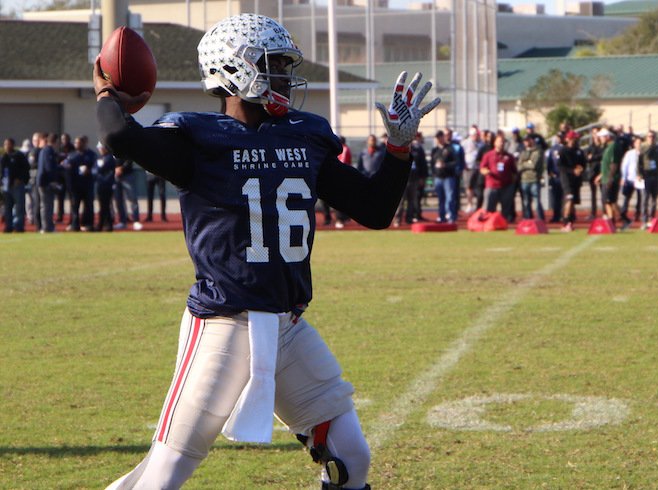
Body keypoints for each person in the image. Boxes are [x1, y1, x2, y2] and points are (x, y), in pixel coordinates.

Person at [95, 13, 438, 490]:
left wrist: (399, 150)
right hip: (223, 325)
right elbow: (118, 136)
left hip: (287, 326)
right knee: (164, 475)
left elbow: (375, 209)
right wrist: (107, 94)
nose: (284, 75)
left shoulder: (305, 133)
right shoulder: (197, 138)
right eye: (273, 63)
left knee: (351, 458)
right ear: (234, 69)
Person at [479, 132, 517, 221]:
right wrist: (486, 172)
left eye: (503, 141)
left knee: (506, 210)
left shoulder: (509, 156)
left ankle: (503, 224)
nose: (502, 143)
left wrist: (512, 183)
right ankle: (488, 225)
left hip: (506, 186)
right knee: (489, 209)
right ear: (495, 143)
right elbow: (482, 168)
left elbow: (514, 171)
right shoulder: (488, 155)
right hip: (492, 185)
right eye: (500, 141)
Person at [64, 135, 97, 231]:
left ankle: (88, 225)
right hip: (75, 186)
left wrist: (89, 171)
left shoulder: (91, 155)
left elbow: (96, 169)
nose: (76, 145)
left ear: (83, 143)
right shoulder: (71, 155)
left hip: (87, 185)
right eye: (75, 143)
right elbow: (65, 168)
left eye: (78, 143)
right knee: (75, 207)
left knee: (88, 206)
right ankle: (75, 225)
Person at [557, 130, 586, 232]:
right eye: (574, 138)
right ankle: (565, 222)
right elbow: (560, 166)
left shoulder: (579, 151)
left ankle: (570, 221)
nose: (575, 140)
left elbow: (583, 164)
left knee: (572, 201)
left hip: (576, 180)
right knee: (569, 198)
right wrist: (572, 170)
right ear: (568, 139)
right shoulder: (563, 151)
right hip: (566, 178)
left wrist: (580, 169)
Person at [1, 137, 30, 232]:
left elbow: (26, 169)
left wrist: (21, 179)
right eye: (5, 144)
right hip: (6, 186)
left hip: (17, 185)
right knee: (7, 207)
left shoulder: (19, 156)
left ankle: (18, 226)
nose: (6, 146)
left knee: (19, 207)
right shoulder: (4, 157)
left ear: (12, 145)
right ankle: (8, 226)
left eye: (8, 144)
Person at [638, 130, 658, 229]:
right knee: (645, 198)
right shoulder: (643, 148)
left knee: (654, 199)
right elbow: (639, 162)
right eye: (649, 136)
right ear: (646, 137)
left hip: (656, 174)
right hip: (646, 175)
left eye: (653, 136)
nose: (651, 138)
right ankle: (644, 220)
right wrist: (639, 174)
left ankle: (652, 218)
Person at [431, 130, 458, 223]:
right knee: (440, 198)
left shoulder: (450, 148)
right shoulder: (435, 150)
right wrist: (434, 174)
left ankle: (450, 215)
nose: (439, 139)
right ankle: (441, 216)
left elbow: (455, 162)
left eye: (440, 137)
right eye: (437, 138)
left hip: (448, 177)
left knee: (449, 198)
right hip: (438, 177)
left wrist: (445, 165)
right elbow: (432, 164)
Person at [36, 133, 61, 233]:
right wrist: (53, 180)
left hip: (43, 181)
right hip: (46, 182)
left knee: (46, 205)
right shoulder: (48, 150)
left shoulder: (44, 150)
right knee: (47, 205)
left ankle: (48, 226)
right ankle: (47, 227)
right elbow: (49, 167)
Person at [516, 134, 544, 220]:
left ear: (532, 140)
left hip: (534, 179)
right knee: (526, 201)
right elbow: (519, 166)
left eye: (528, 140)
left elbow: (534, 165)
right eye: (525, 141)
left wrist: (525, 164)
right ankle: (527, 218)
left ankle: (540, 218)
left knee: (536, 201)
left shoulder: (537, 151)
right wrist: (527, 163)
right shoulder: (523, 152)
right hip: (524, 180)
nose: (526, 142)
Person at [618, 137, 642, 230]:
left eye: (640, 143)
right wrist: (624, 177)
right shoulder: (629, 154)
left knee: (640, 198)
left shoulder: (643, 153)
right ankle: (623, 214)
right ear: (634, 144)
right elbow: (625, 166)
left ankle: (637, 214)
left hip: (639, 179)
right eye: (637, 143)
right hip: (630, 178)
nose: (639, 145)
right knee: (627, 197)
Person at [114, 158, 141, 230]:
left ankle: (136, 220)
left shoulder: (126, 149)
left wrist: (122, 168)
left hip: (127, 175)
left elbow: (130, 159)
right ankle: (122, 221)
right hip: (116, 176)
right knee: (119, 200)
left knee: (132, 198)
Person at [95, 143, 117, 231]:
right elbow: (95, 169)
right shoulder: (100, 158)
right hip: (101, 185)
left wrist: (98, 172)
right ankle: (102, 223)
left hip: (107, 185)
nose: (100, 150)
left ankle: (107, 224)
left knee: (106, 205)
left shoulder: (109, 158)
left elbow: (103, 170)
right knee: (103, 206)